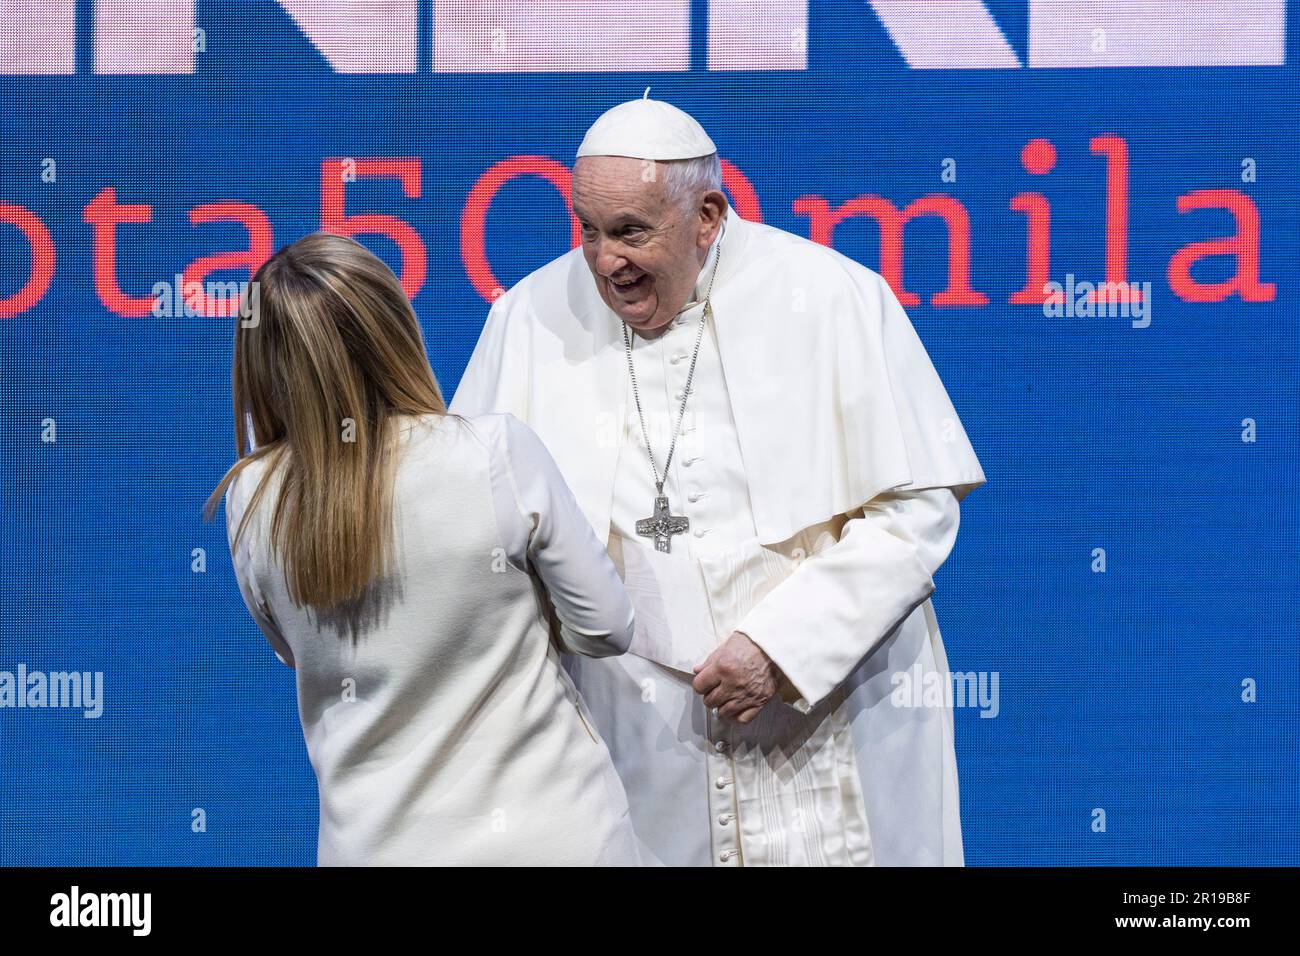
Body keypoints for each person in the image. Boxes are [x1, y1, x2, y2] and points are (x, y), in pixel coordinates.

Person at [451, 96, 987, 866]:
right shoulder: (529, 318)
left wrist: (782, 645)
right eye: (589, 231)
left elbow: (918, 509)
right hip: (639, 736)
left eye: (632, 231)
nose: (605, 262)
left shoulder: (831, 295)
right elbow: (479, 529)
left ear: (707, 215)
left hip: (827, 712)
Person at [206, 232, 642, 866]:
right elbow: (607, 627)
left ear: (260, 362)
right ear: (393, 330)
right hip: (556, 841)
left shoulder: (251, 496)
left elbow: (301, 654)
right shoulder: (496, 454)